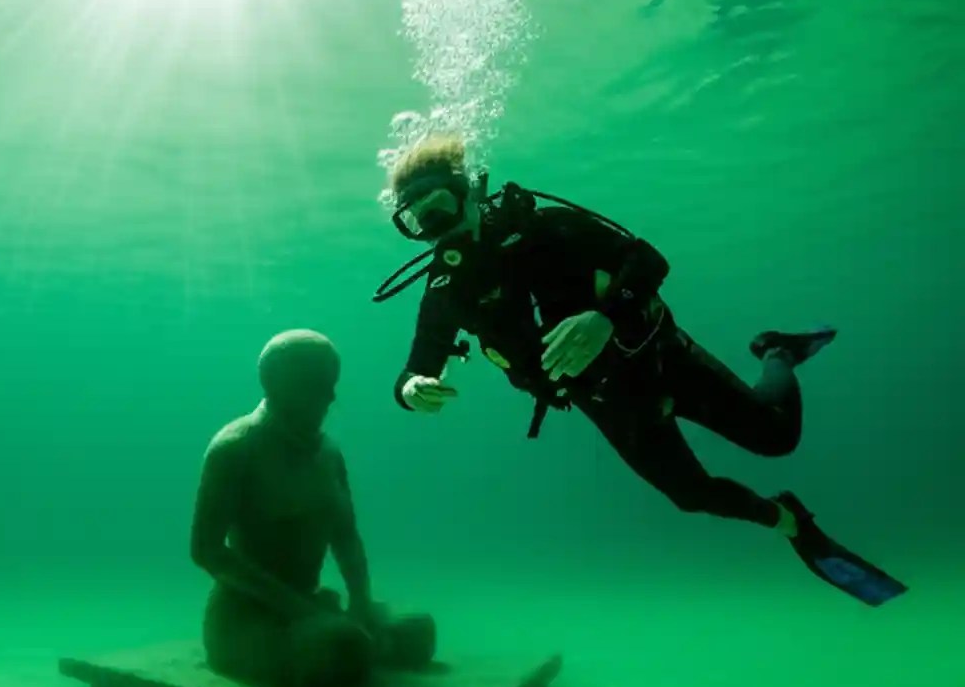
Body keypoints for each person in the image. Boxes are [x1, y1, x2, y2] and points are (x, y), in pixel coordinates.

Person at [373, 133, 907, 607]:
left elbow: (649, 261)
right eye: (416, 221)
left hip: (659, 357)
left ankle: (777, 352)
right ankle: (792, 522)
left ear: (467, 190)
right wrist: (412, 388)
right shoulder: (446, 292)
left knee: (776, 437)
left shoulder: (548, 228)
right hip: (609, 400)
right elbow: (413, 369)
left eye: (438, 206)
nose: (432, 229)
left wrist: (605, 318)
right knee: (691, 495)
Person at [189, 329, 438, 687]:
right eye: (318, 383)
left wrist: (361, 602)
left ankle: (351, 641)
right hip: (246, 618)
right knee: (340, 650)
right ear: (278, 384)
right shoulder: (234, 449)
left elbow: (346, 536)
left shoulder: (328, 455)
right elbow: (207, 551)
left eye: (331, 383)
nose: (330, 395)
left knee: (418, 631)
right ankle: (345, 648)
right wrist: (301, 611)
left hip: (312, 603)